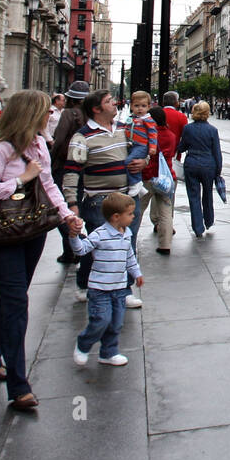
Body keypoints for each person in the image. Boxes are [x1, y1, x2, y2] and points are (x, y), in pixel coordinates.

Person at [0, 90, 84, 411]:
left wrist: (67, 216)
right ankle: (19, 385)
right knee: (16, 301)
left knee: (13, 296)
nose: (50, 116)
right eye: (44, 112)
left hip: (31, 231)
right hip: (0, 234)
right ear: (28, 114)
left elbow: (49, 185)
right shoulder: (0, 148)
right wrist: (21, 179)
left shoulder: (38, 145)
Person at [63, 91, 147, 307]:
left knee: (126, 243)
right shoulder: (82, 137)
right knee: (98, 245)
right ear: (96, 109)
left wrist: (143, 161)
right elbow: (72, 170)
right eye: (108, 102)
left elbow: (140, 149)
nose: (114, 104)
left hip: (127, 197)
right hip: (99, 201)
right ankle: (85, 284)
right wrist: (72, 202)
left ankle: (124, 290)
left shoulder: (123, 129)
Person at [69, 192, 143, 367]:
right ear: (116, 217)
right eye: (130, 214)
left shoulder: (126, 233)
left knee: (116, 323)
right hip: (100, 288)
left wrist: (136, 273)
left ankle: (108, 352)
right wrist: (74, 237)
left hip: (119, 288)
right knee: (101, 320)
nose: (133, 217)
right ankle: (83, 343)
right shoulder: (100, 234)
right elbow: (81, 250)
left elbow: (129, 256)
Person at [48, 81, 89, 265]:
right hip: (83, 166)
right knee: (75, 204)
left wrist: (51, 160)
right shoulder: (90, 114)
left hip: (64, 165)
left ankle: (74, 245)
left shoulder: (68, 113)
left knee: (61, 208)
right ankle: (71, 249)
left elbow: (59, 139)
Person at [177, 101, 222, 239]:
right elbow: (217, 153)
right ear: (207, 113)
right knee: (208, 194)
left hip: (191, 164)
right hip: (208, 165)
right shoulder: (213, 130)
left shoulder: (188, 129)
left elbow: (181, 147)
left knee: (193, 196)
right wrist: (218, 170)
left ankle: (198, 227)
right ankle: (208, 221)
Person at [145, 106, 178, 254]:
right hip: (166, 178)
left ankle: (128, 241)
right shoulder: (171, 135)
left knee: (138, 209)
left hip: (148, 176)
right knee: (166, 212)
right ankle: (165, 245)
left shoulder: (149, 135)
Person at [119, 91, 157, 200]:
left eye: (143, 106)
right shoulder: (132, 118)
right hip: (131, 145)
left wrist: (152, 147)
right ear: (131, 106)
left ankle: (135, 183)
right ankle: (138, 186)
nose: (140, 109)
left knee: (129, 162)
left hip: (141, 146)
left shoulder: (148, 120)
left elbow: (153, 133)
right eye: (136, 106)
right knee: (133, 164)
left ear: (149, 107)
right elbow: (126, 129)